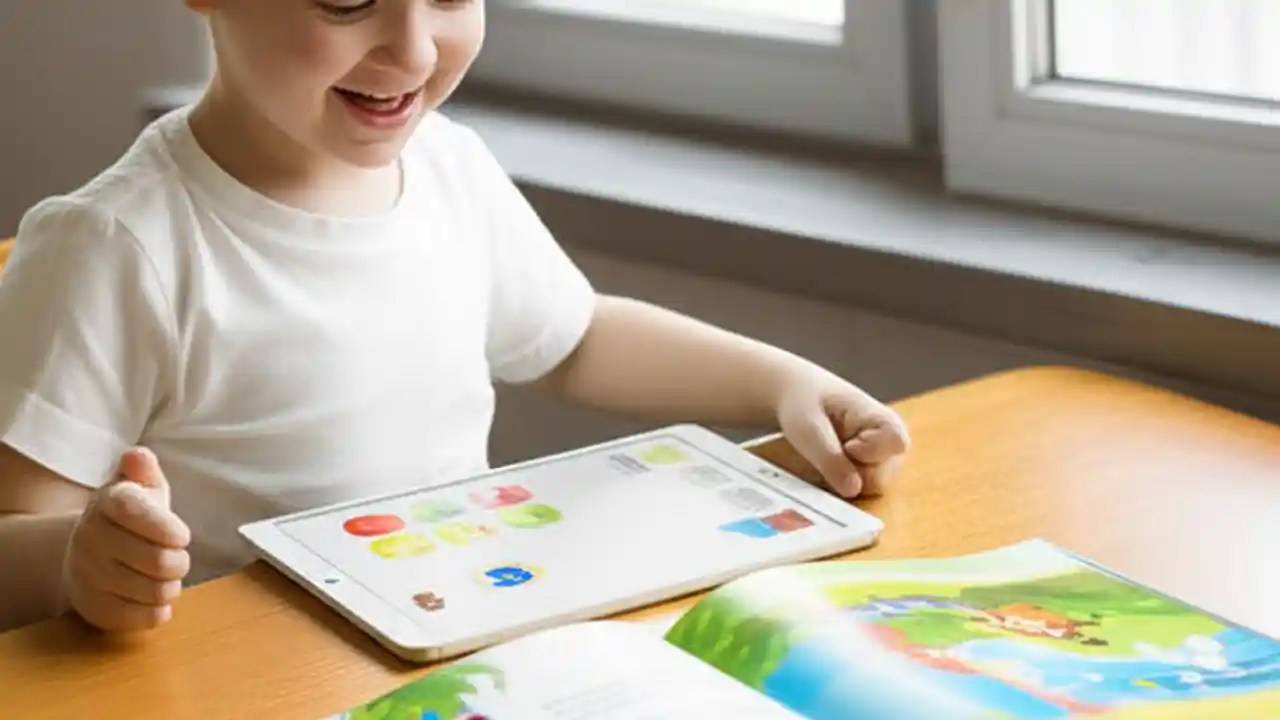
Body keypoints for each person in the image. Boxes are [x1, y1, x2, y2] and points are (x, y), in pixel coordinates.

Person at [0, 0, 908, 634]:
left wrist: (781, 383)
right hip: (254, 680)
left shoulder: (448, 167)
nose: (417, 50)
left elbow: (576, 339)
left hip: (457, 633)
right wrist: (76, 565)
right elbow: (13, 533)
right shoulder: (114, 245)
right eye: (347, 0)